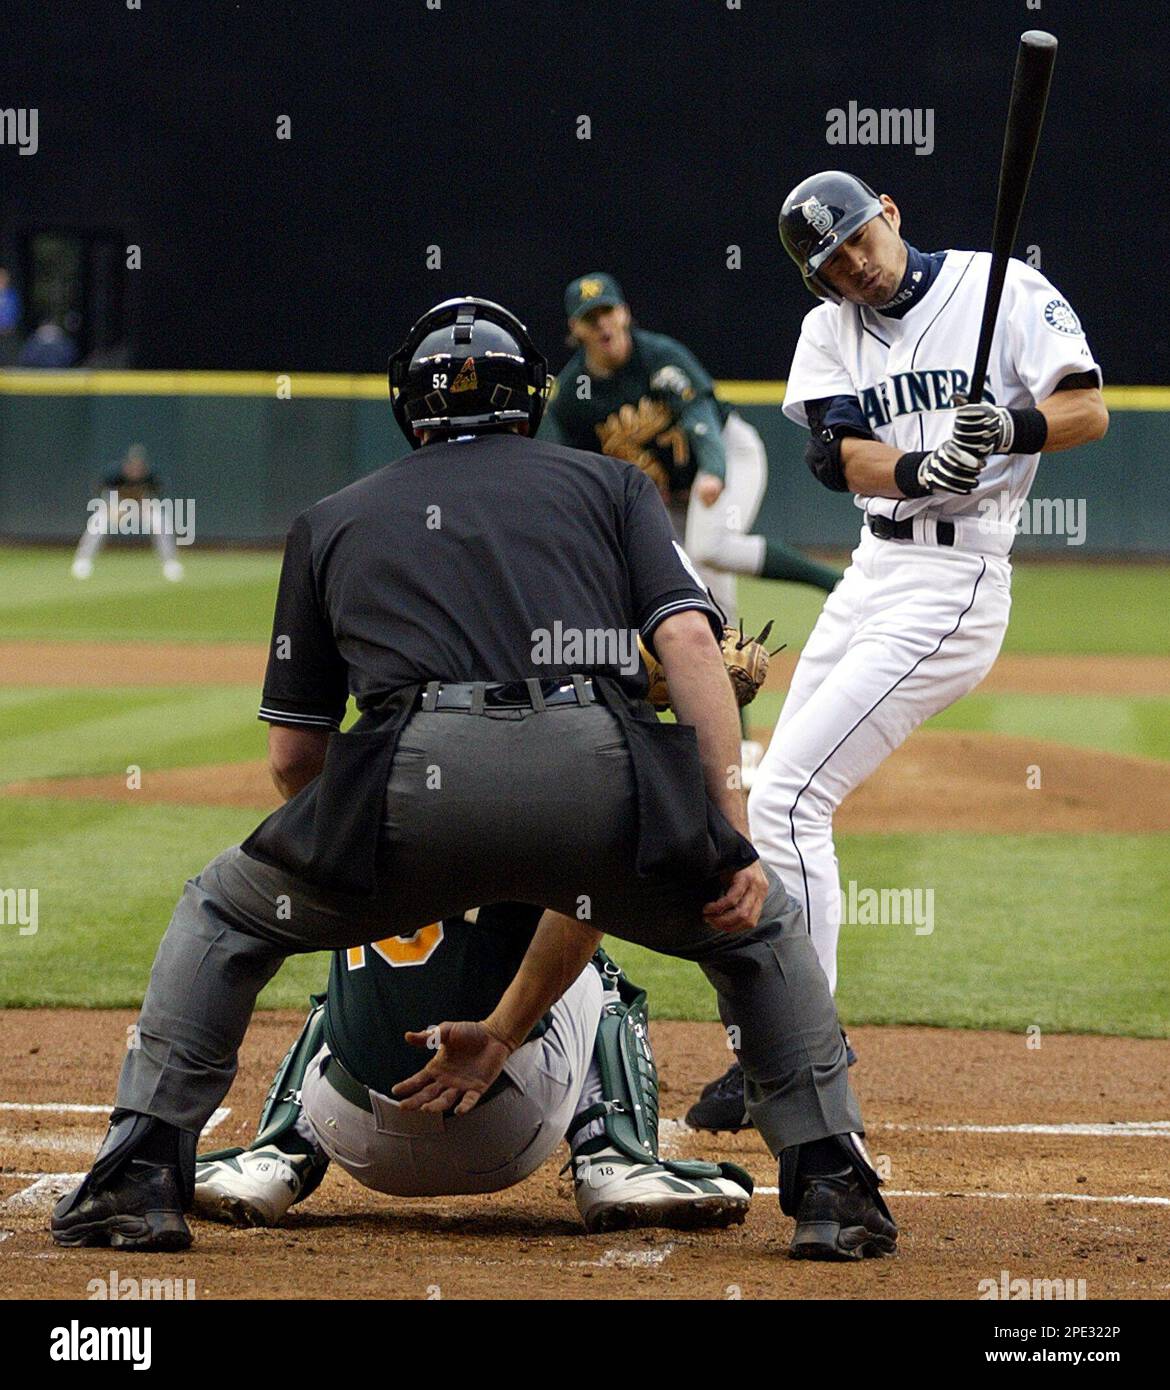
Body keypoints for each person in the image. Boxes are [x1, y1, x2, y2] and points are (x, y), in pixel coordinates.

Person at [50, 296, 895, 1262]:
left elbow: (293, 756)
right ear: (532, 401)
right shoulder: (613, 490)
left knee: (222, 916)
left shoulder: (329, 520)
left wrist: (362, 855)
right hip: (599, 768)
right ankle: (836, 1192)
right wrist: (724, 831)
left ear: (408, 411)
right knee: (757, 926)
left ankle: (135, 1179)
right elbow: (693, 644)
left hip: (409, 780)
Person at [686, 171, 1108, 1133]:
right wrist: (921, 465)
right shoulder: (827, 329)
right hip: (872, 568)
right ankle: (776, 1045)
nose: (852, 267)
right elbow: (839, 459)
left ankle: (803, 1058)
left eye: (856, 241)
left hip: (955, 583)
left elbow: (1089, 410)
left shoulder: (1001, 290)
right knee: (771, 798)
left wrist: (1011, 425)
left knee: (794, 798)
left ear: (891, 215)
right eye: (829, 263)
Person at [192, 925, 753, 1234]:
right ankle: (617, 1159)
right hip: (501, 1129)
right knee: (594, 965)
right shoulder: (530, 800)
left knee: (341, 1000)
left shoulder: (361, 793)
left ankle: (275, 1158)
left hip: (349, 1130)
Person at [544, 273, 842, 781]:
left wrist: (713, 470)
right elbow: (580, 470)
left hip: (730, 456)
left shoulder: (657, 357)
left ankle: (834, 584)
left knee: (711, 545)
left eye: (609, 313)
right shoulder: (573, 396)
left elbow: (700, 414)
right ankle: (741, 745)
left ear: (625, 313)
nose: (604, 325)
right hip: (665, 501)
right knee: (706, 605)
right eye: (591, 320)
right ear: (576, 329)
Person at [70, 444, 185, 581]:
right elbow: (100, 491)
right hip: (117, 503)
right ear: (127, 464)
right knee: (97, 523)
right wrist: (111, 508)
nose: (136, 468)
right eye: (133, 464)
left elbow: (156, 496)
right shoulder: (114, 474)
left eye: (139, 465)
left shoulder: (150, 476)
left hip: (141, 505)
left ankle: (170, 563)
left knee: (160, 522)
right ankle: (83, 561)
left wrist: (146, 506)